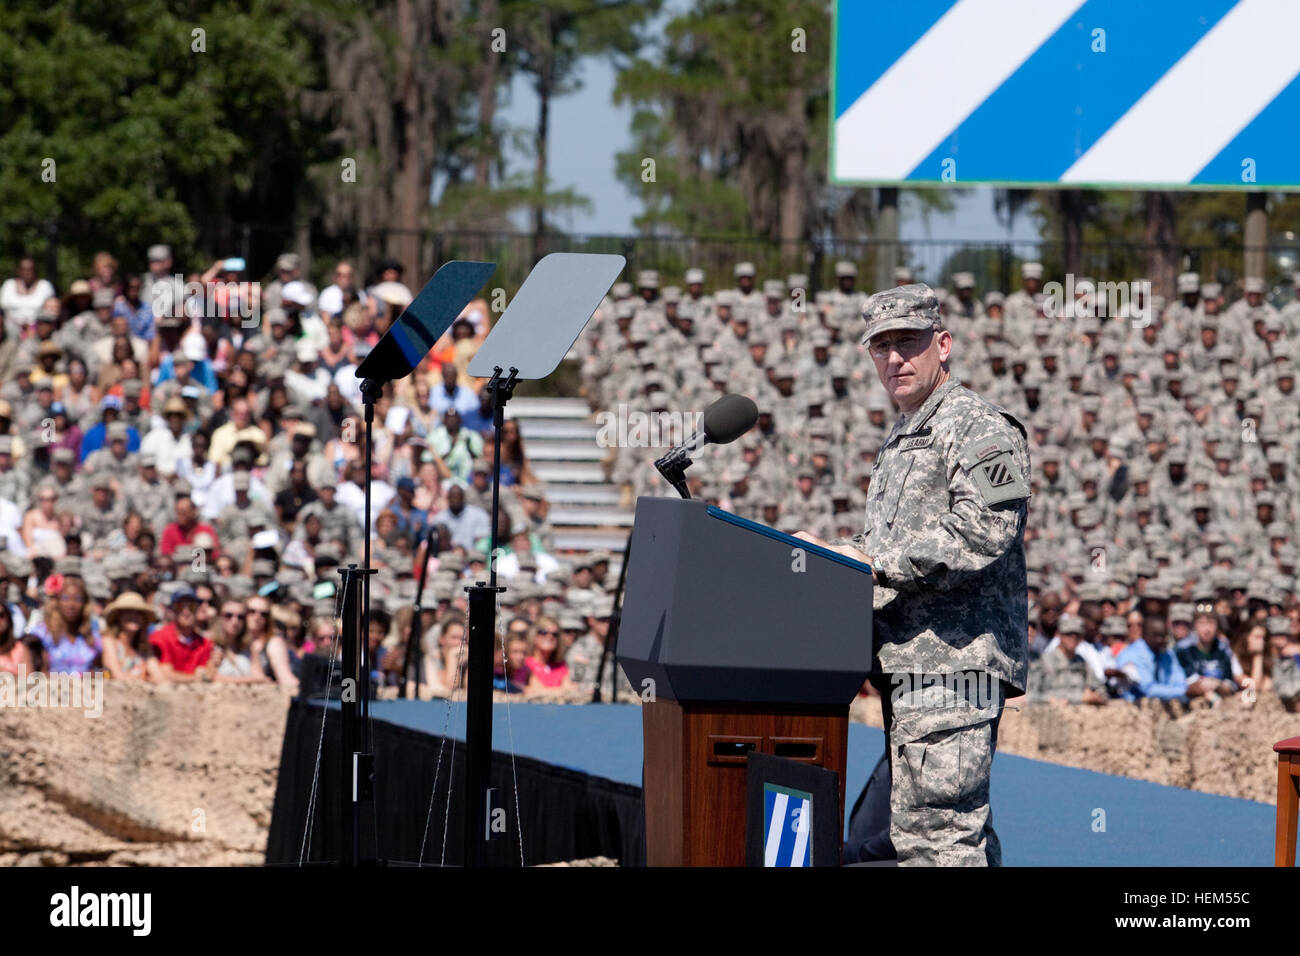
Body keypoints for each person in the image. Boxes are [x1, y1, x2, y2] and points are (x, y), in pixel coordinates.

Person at [795, 283, 1030, 867]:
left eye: (909, 342)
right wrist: (830, 552)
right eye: (881, 346)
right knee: (948, 835)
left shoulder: (980, 427)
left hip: (955, 666)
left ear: (943, 345)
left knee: (938, 842)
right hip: (913, 667)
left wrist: (872, 562)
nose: (895, 358)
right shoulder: (905, 434)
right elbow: (887, 544)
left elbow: (988, 529)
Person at [28, 575, 101, 673]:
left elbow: (97, 669)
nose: (71, 605)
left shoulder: (92, 636)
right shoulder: (42, 634)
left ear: (85, 603)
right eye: (65, 598)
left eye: (78, 599)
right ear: (57, 601)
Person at [149, 587, 218, 682]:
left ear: (197, 610)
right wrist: (197, 677)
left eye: (192, 607)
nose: (186, 612)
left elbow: (208, 673)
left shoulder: (205, 643)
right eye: (180, 606)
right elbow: (166, 673)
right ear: (173, 610)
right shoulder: (160, 638)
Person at [101, 591, 158, 680]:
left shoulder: (144, 649)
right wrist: (146, 679)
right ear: (118, 616)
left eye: (138, 613)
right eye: (128, 612)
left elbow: (159, 676)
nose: (134, 616)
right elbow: (117, 676)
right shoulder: (109, 642)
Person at [523, 615, 571, 697]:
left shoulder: (561, 665)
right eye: (543, 632)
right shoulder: (526, 663)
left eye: (554, 634)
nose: (550, 636)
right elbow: (534, 692)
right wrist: (562, 691)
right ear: (534, 636)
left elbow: (569, 690)